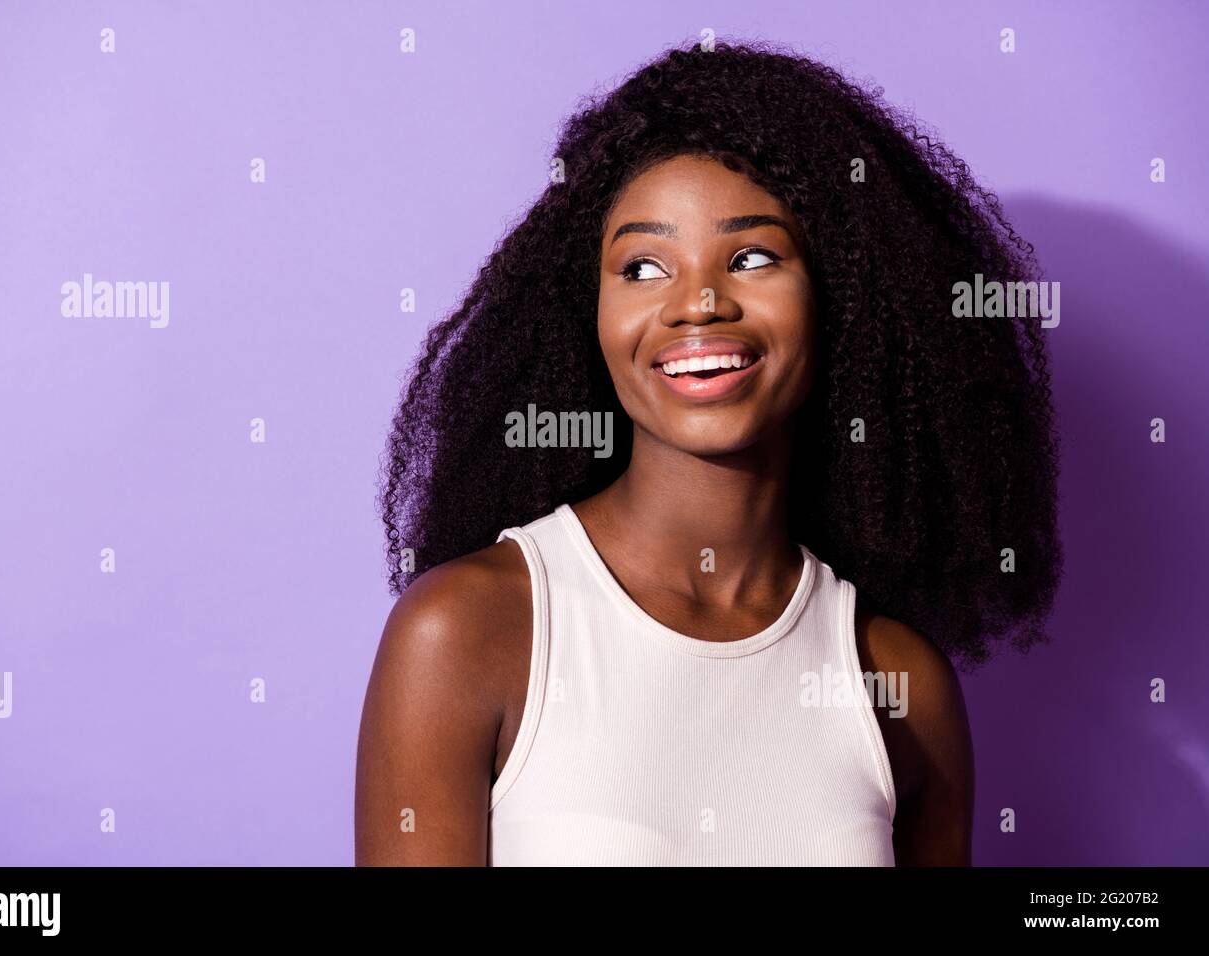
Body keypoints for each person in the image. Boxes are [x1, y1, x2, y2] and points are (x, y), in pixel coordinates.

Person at [356, 40, 1062, 866]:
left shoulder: (897, 682)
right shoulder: (467, 633)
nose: (697, 302)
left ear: (843, 297)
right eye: (643, 265)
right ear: (588, 316)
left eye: (753, 256)